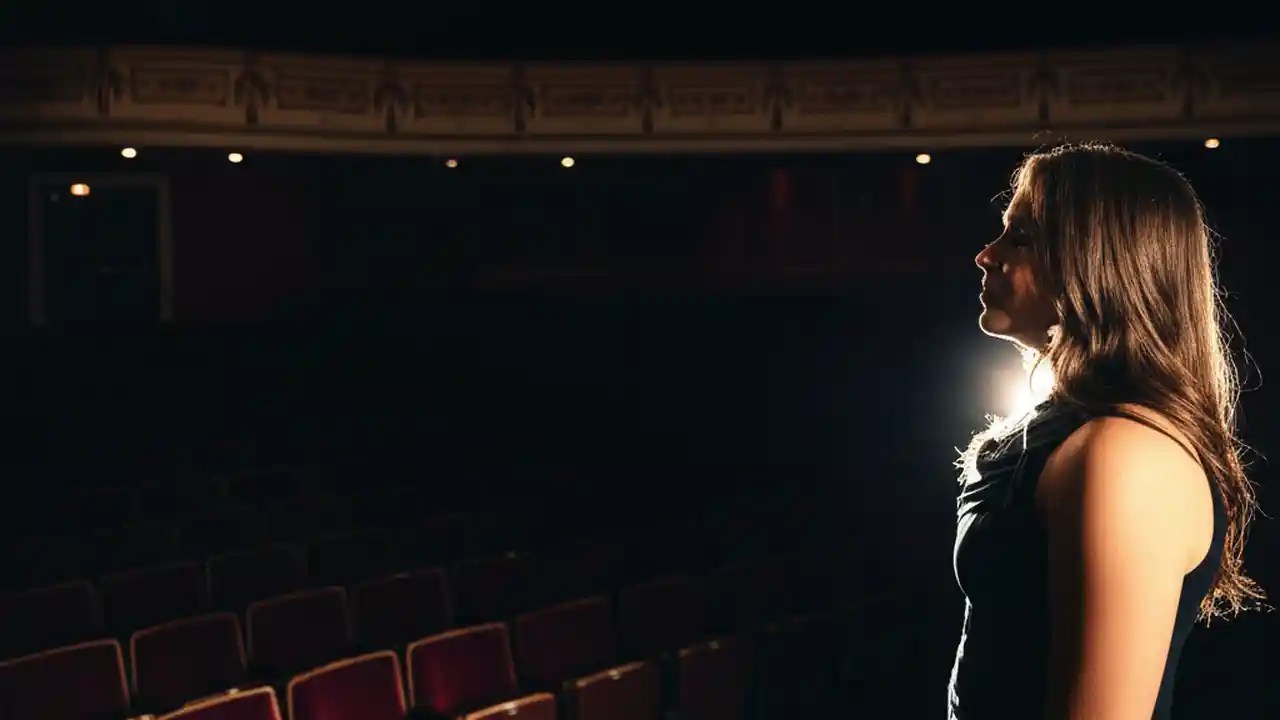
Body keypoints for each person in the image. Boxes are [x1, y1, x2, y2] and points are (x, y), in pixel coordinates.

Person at [948, 142, 1264, 719]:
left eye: (1020, 235)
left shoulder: (1125, 453)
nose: (985, 255)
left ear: (1095, 261)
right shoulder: (1074, 433)